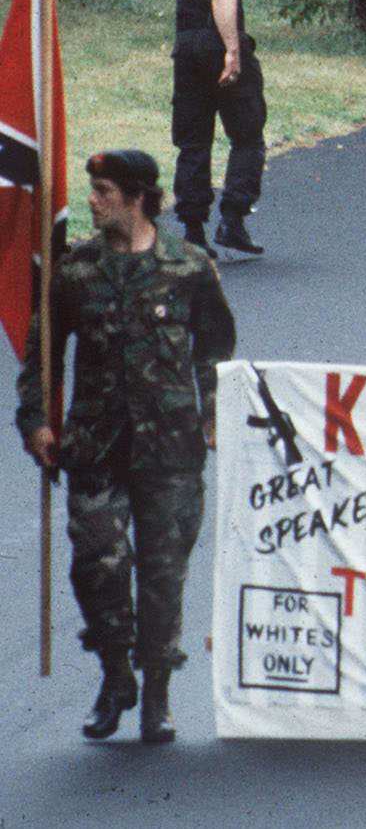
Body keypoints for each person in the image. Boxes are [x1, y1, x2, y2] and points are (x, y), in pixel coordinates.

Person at [18, 150, 236, 744]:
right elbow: (43, 354)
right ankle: (116, 678)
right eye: (91, 189)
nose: (93, 200)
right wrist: (37, 419)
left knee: (163, 575)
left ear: (137, 198)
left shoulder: (188, 268)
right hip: (94, 446)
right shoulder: (75, 271)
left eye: (104, 190)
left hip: (170, 452)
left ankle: (157, 696)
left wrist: (214, 417)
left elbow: (214, 351)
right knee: (97, 565)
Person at [171, 0, 266, 258]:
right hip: (216, 42)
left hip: (187, 44)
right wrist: (232, 50)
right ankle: (233, 219)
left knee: (193, 139)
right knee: (247, 133)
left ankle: (193, 233)